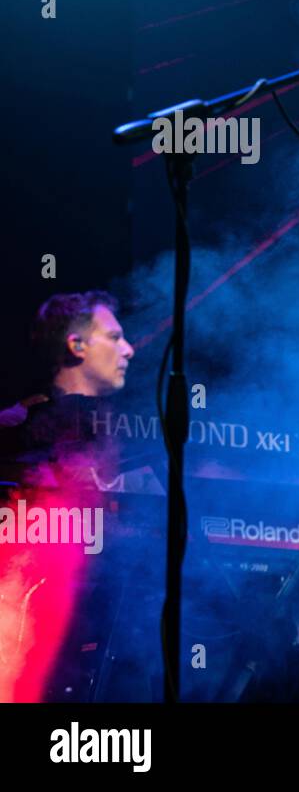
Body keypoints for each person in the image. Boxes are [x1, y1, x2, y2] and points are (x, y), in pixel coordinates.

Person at [0, 290, 134, 702]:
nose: (128, 350)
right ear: (76, 345)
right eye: (114, 337)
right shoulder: (25, 427)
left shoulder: (118, 426)